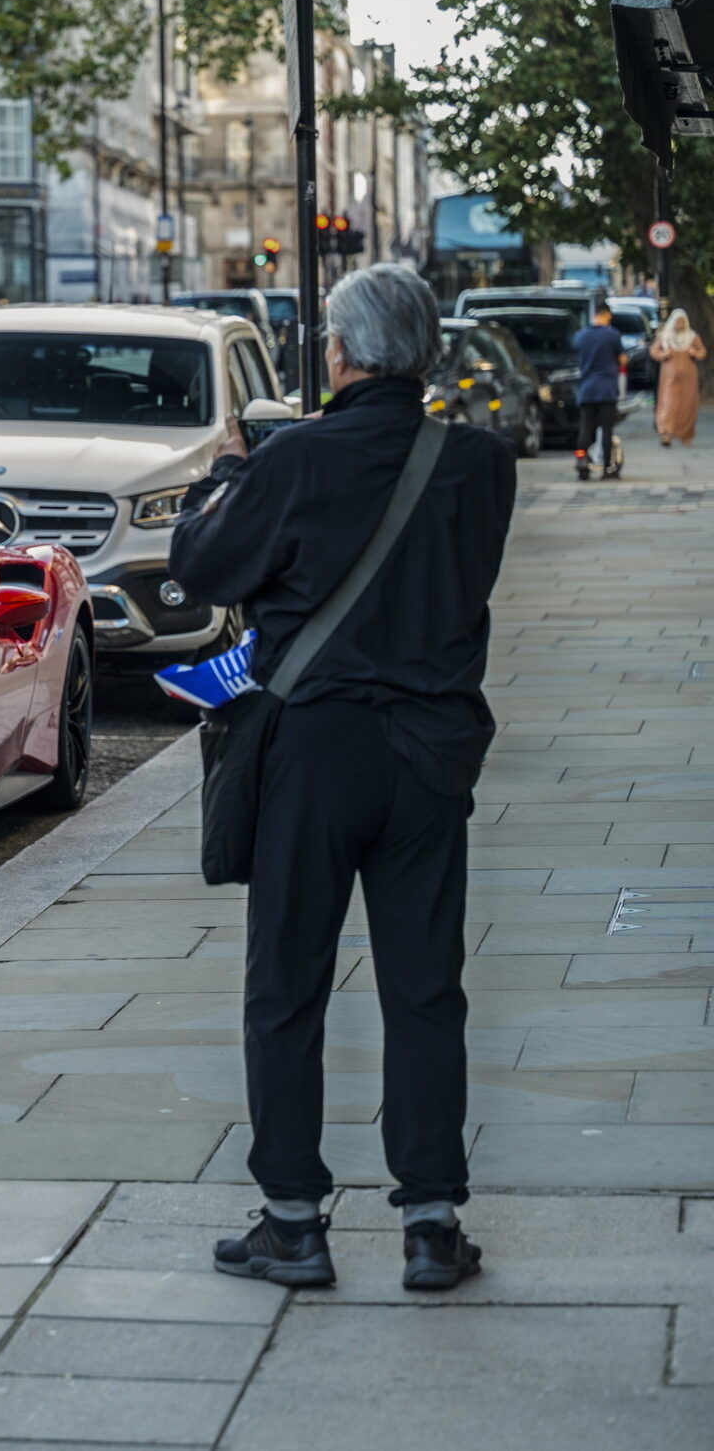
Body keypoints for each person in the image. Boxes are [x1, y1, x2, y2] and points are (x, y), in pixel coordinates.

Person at [168, 264, 517, 1293]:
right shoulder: (480, 465)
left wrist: (225, 482)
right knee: (423, 987)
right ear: (425, 354)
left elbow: (204, 567)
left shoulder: (297, 458)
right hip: (426, 755)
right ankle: (428, 1223)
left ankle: (290, 1221)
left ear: (339, 354)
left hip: (313, 750)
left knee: (286, 985)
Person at [572, 302, 626, 479]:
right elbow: (623, 360)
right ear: (607, 315)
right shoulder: (613, 335)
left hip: (586, 389)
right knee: (606, 429)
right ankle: (607, 467)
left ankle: (581, 460)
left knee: (586, 428)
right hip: (606, 389)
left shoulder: (580, 336)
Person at [651, 308, 705, 447]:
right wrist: (664, 354)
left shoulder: (692, 337)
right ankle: (666, 434)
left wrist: (694, 353)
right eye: (677, 322)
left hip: (688, 377)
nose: (679, 325)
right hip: (669, 377)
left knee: (687, 405)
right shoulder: (664, 336)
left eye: (682, 322)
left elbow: (702, 352)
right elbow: (654, 351)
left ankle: (685, 435)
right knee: (668, 404)